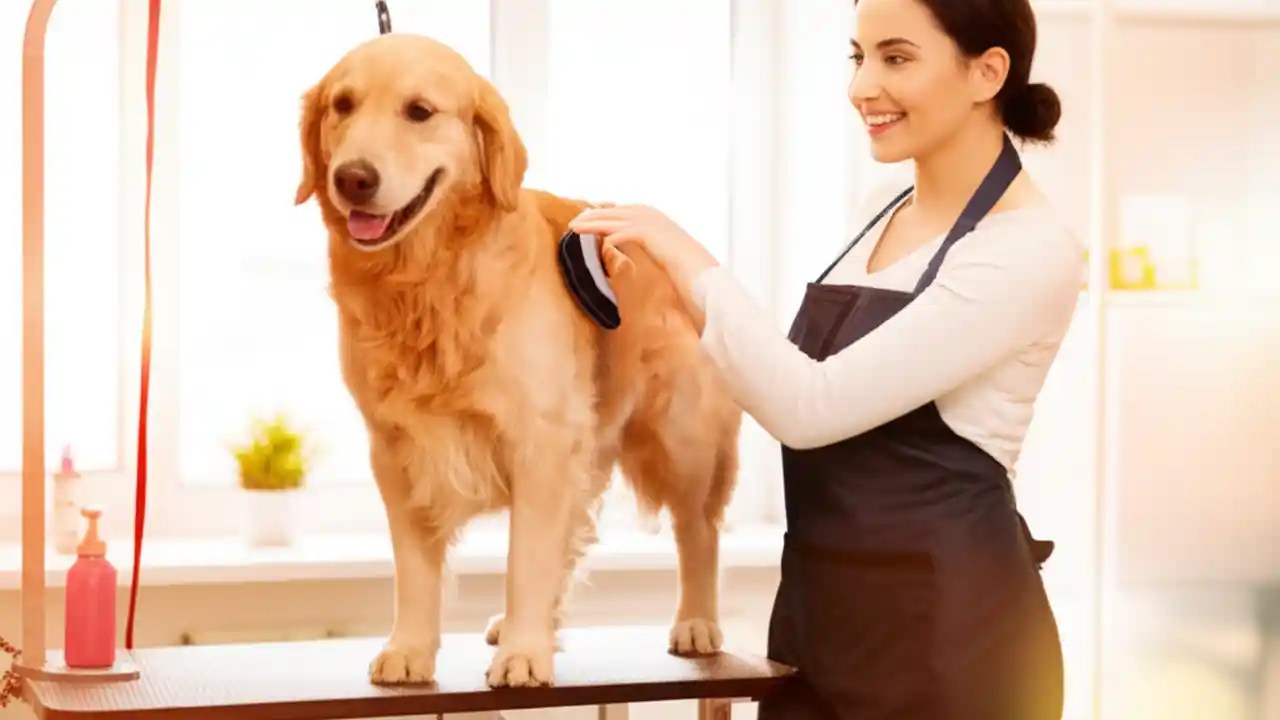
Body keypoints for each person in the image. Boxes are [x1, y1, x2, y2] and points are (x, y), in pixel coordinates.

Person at [570, 0, 1081, 717]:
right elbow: (781, 375)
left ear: (986, 71)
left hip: (953, 644)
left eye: (895, 58)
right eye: (858, 56)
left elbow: (810, 407)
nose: (861, 87)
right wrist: (660, 298)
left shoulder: (1025, 248)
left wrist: (680, 250)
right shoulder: (883, 207)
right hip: (821, 617)